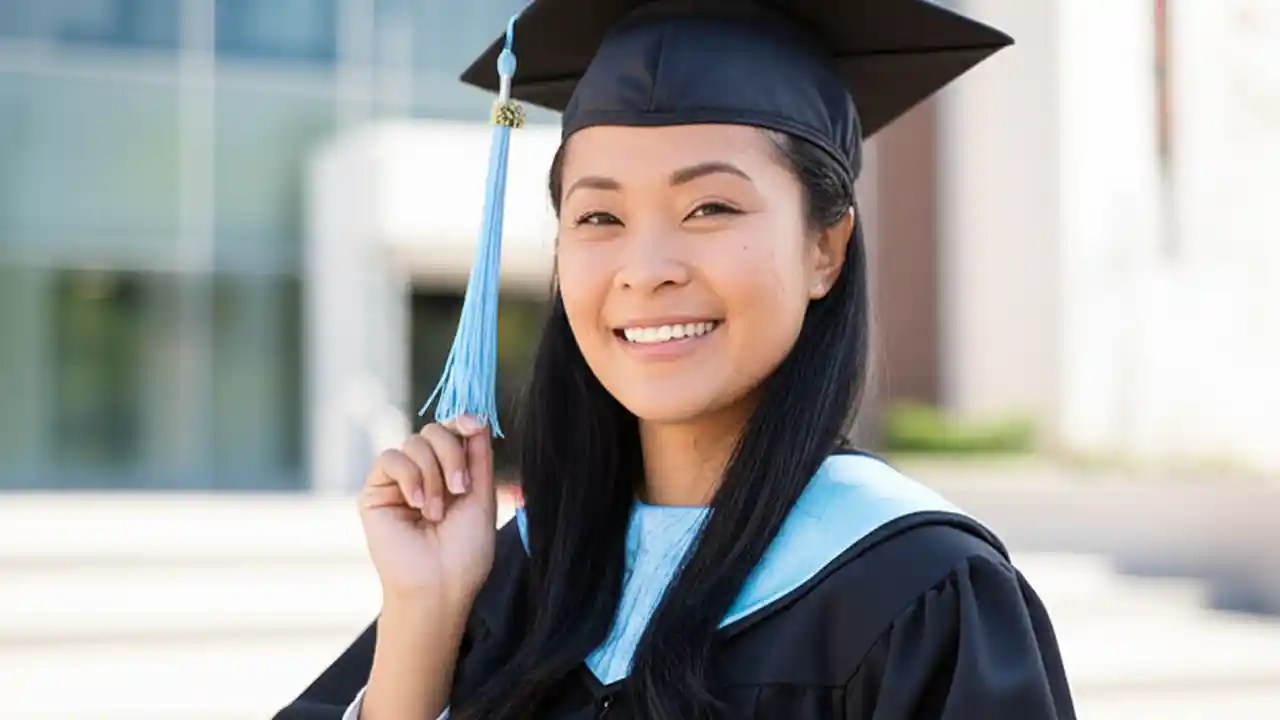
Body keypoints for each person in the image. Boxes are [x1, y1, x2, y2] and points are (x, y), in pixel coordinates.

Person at [277, 1, 1076, 718]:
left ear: (825, 248)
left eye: (710, 207)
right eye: (598, 215)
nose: (646, 266)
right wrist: (425, 616)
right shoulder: (510, 576)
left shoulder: (920, 595)